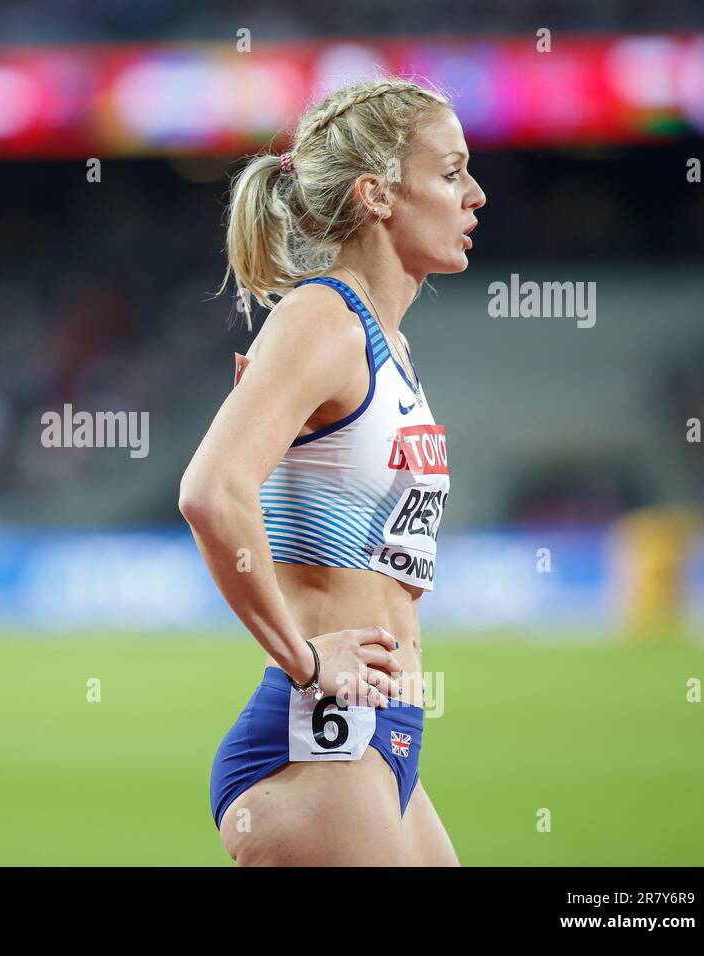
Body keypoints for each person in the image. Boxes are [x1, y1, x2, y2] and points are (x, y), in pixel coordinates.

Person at [179, 77, 486, 866]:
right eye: (450, 173)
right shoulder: (323, 319)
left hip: (381, 739)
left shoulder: (390, 348)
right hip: (317, 746)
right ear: (378, 194)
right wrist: (307, 661)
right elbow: (211, 493)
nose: (475, 194)